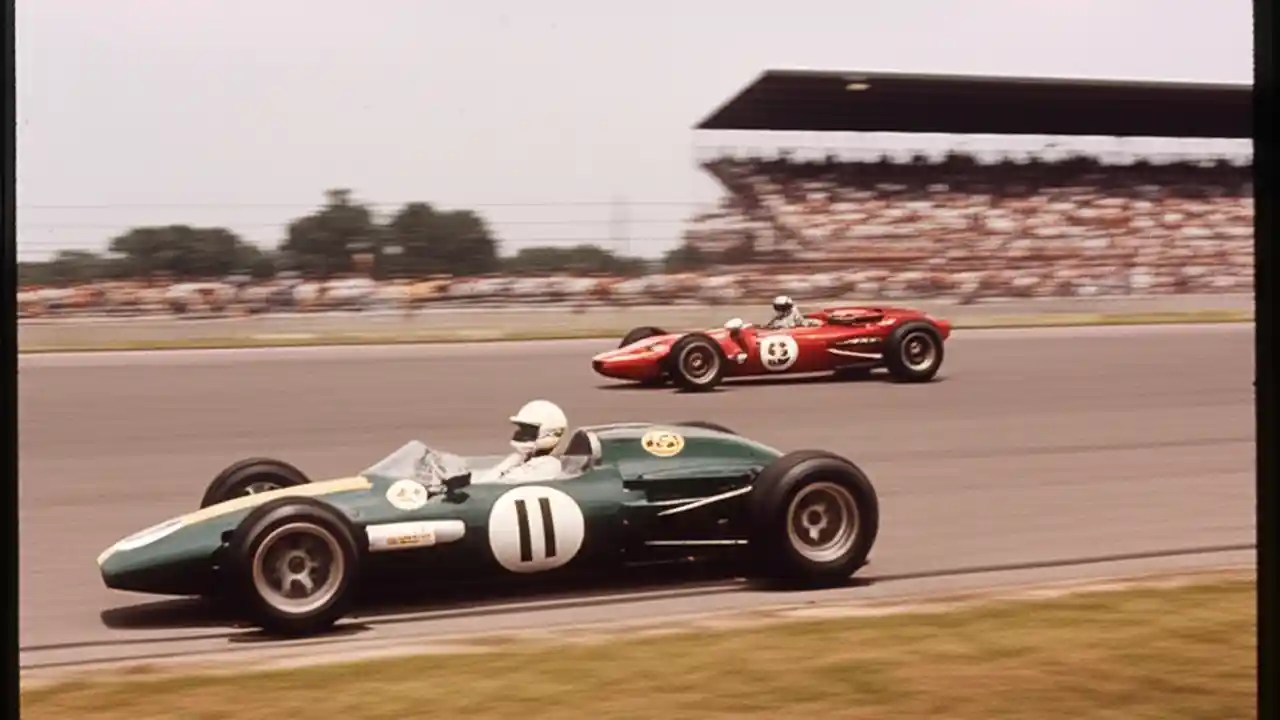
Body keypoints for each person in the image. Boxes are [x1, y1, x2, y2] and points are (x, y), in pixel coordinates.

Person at [482, 399, 568, 484]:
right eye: (522, 428)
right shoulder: (518, 458)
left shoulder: (549, 465)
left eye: (529, 430)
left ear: (549, 433)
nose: (521, 434)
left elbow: (503, 486)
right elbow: (484, 483)